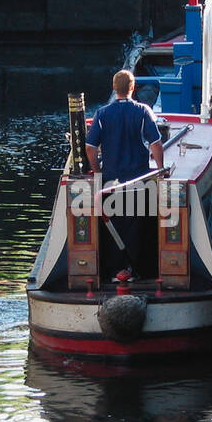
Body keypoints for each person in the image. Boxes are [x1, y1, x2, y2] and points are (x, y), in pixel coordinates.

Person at [85, 69, 164, 281]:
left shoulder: (101, 114)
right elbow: (155, 144)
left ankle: (114, 272)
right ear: (132, 88)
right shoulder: (143, 111)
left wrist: (97, 171)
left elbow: (90, 147)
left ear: (113, 88)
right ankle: (135, 271)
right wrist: (160, 168)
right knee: (136, 228)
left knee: (114, 227)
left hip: (111, 181)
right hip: (138, 181)